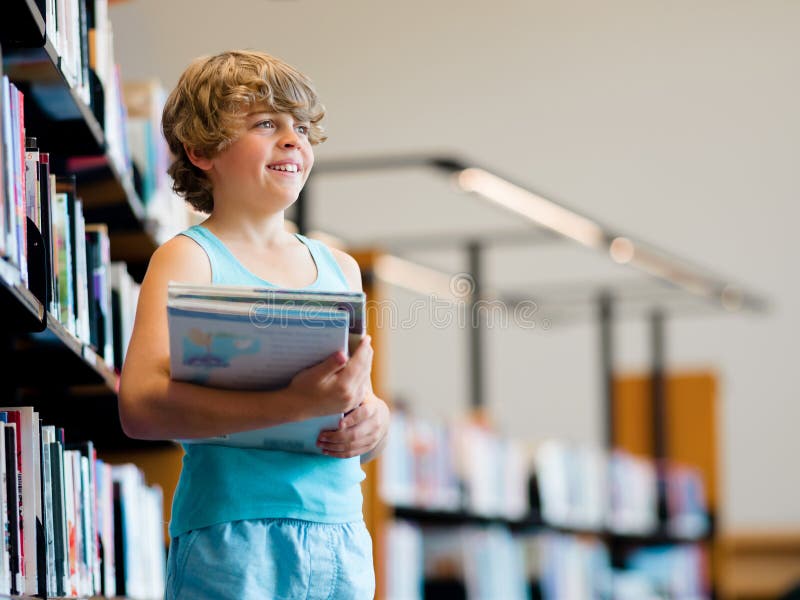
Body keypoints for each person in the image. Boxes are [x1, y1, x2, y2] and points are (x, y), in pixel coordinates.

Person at [118, 49, 390, 600]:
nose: (293, 140)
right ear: (201, 151)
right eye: (266, 124)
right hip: (232, 535)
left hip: (341, 534)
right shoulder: (187, 257)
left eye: (301, 128)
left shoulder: (339, 267)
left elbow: (356, 400)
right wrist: (294, 404)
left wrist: (374, 423)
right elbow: (141, 407)